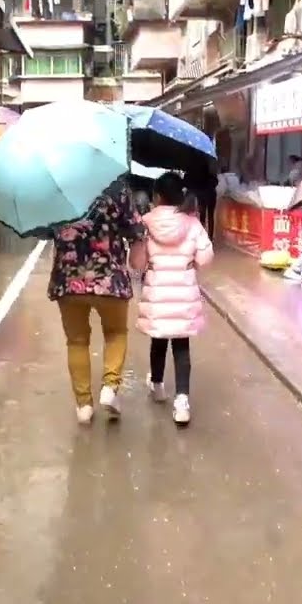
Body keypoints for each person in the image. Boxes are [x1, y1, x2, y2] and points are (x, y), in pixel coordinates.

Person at [49, 177, 144, 424]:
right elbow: (135, 231)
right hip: (109, 278)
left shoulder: (58, 185)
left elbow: (48, 229)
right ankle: (109, 388)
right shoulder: (116, 186)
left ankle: (83, 406)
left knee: (76, 341)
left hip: (69, 278)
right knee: (115, 333)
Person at [130, 173, 214, 424]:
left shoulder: (145, 223)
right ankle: (182, 402)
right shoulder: (192, 223)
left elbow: (137, 262)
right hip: (183, 289)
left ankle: (157, 386)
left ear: (156, 196)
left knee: (158, 339)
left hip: (157, 289)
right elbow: (205, 259)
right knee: (181, 346)